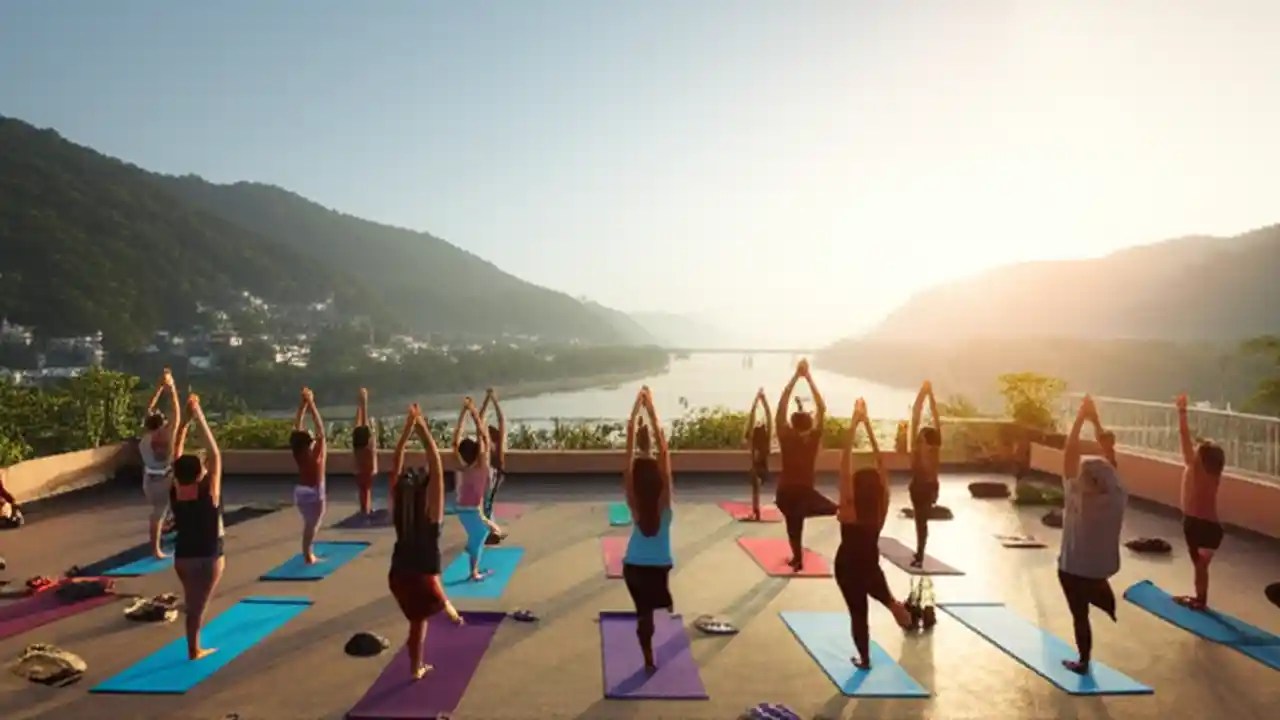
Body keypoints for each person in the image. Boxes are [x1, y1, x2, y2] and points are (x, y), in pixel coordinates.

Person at [388, 403, 463, 680]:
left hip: (397, 576)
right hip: (420, 578)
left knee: (417, 621)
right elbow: (437, 466)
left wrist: (408, 430)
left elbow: (396, 465)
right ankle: (449, 616)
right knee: (422, 619)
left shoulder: (399, 506)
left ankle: (416, 665)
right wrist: (422, 430)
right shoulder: (432, 514)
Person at [835, 398, 913, 669]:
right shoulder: (880, 508)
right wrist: (867, 425)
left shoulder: (849, 508)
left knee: (858, 613)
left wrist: (854, 424)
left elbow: (844, 464)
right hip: (870, 564)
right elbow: (882, 464)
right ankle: (895, 607)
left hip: (848, 566)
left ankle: (865, 659)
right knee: (883, 595)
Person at [1058, 394, 1126, 674]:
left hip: (1073, 568)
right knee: (1090, 589)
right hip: (1101, 568)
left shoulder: (1077, 497)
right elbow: (1111, 459)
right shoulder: (1117, 496)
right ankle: (1102, 596)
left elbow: (1070, 451)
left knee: (1079, 615)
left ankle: (1083, 660)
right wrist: (1096, 422)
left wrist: (1081, 419)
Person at [622, 386, 675, 674]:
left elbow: (629, 453)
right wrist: (651, 409)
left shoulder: (635, 505)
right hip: (658, 566)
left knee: (644, 614)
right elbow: (664, 451)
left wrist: (636, 409)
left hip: (633, 566)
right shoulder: (664, 505)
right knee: (656, 605)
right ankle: (662, 601)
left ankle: (648, 657)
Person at [170, 393, 225, 661]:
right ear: (200, 473)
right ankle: (194, 650)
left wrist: (184, 423)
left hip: (182, 556)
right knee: (197, 606)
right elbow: (215, 454)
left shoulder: (176, 490)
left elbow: (176, 455)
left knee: (193, 601)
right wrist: (198, 414)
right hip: (207, 556)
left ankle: (193, 641)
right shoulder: (208, 492)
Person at [774, 358, 836, 571]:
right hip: (804, 492)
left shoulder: (787, 437)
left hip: (786, 493)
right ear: (809, 425)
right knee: (833, 510)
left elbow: (781, 407)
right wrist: (808, 378)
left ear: (793, 424)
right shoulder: (812, 439)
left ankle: (797, 558)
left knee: (793, 525)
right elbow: (822, 408)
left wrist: (795, 378)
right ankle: (797, 558)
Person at [1175, 393, 1225, 611]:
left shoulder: (1194, 468)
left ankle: (1200, 600)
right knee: (1202, 567)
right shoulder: (1214, 474)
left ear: (1200, 458)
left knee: (1199, 566)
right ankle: (1200, 598)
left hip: (1196, 525)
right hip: (1213, 528)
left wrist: (1182, 412)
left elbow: (1183, 436)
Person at [451, 397, 505, 581]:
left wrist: (464, 413)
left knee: (483, 534)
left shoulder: (462, 465)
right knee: (489, 533)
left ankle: (473, 566)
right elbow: (483, 437)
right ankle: (473, 567)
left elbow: (455, 442)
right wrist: (473, 412)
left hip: (461, 508)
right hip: (472, 510)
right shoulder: (481, 467)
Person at [141, 368, 180, 558]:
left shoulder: (146, 435)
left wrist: (160, 387)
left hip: (148, 479)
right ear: (162, 422)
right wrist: (171, 388)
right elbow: (176, 412)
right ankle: (156, 550)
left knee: (166, 509)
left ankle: (171, 524)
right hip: (162, 479)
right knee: (159, 513)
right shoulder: (167, 435)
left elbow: (148, 410)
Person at [290, 387, 327, 565]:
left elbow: (297, 429)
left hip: (301, 491)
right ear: (308, 443)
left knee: (309, 523)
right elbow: (321, 431)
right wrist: (311, 403)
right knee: (312, 525)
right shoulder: (315, 456)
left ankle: (308, 553)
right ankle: (308, 555)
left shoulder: (298, 453)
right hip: (314, 492)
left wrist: (303, 405)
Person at [908, 381, 942, 567]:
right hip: (918, 486)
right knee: (919, 521)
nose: (919, 438)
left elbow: (936, 420)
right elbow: (915, 416)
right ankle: (919, 551)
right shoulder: (918, 449)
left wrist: (930, 397)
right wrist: (923, 394)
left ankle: (920, 553)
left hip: (928, 487)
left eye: (922, 437)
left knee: (921, 521)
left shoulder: (933, 450)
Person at [477, 388, 508, 545]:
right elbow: (480, 421)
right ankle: (492, 531)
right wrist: (488, 401)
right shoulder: (489, 445)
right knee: (487, 504)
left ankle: (492, 532)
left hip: (493, 476)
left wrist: (493, 401)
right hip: (492, 475)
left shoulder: (495, 445)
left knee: (486, 504)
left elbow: (500, 421)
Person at [743, 387, 773, 521]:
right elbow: (767, 417)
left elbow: (763, 418)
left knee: (756, 488)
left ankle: (756, 511)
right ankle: (756, 511)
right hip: (758, 466)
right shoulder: (760, 440)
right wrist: (761, 401)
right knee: (755, 489)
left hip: (759, 467)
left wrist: (758, 401)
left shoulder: (761, 441)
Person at [352, 388, 378, 516]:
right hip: (367, 468)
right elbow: (364, 422)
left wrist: (360, 405)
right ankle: (365, 510)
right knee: (366, 489)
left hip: (359, 467)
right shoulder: (369, 441)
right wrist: (363, 402)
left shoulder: (357, 440)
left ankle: (364, 508)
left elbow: (358, 424)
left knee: (363, 488)